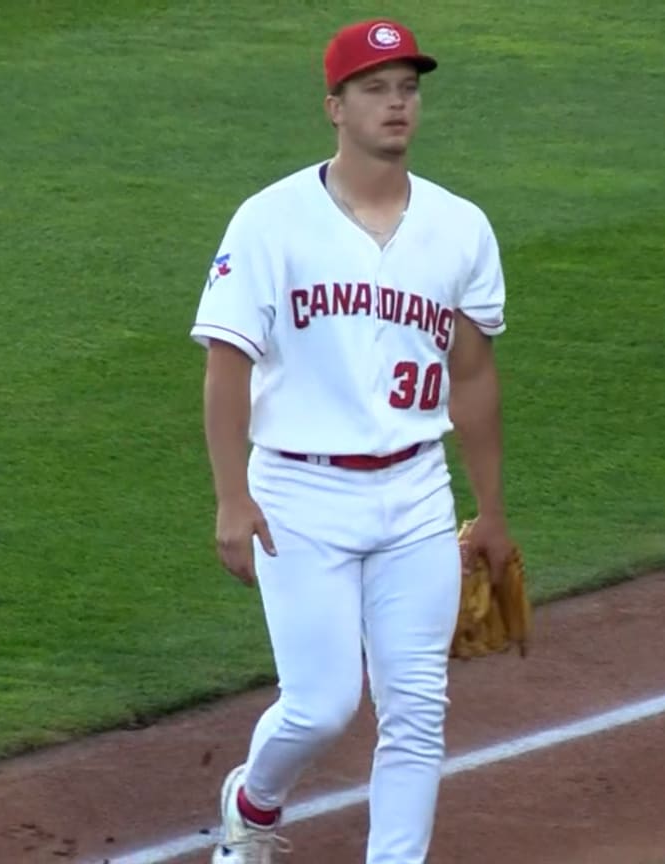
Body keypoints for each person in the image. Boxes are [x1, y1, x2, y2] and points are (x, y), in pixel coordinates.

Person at [189, 16, 514, 864]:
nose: (396, 104)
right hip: (300, 493)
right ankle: (254, 805)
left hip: (415, 492)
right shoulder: (269, 222)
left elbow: (472, 375)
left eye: (407, 88)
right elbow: (227, 365)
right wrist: (232, 497)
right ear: (334, 107)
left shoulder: (460, 228)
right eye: (375, 89)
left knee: (416, 708)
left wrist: (492, 512)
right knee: (323, 704)